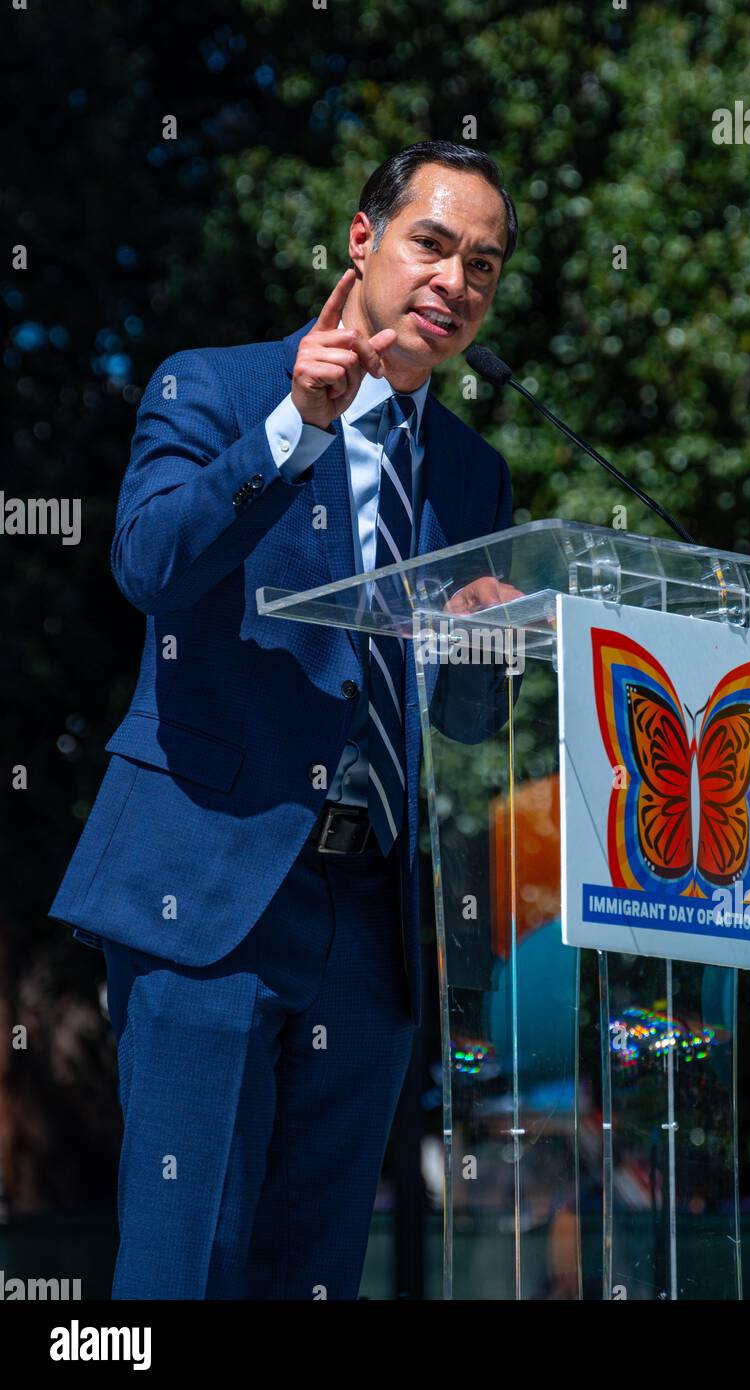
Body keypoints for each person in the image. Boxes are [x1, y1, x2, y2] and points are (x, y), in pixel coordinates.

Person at [48, 140, 522, 1299]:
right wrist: (293, 433)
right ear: (360, 242)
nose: (453, 281)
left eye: (483, 265)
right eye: (430, 243)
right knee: (183, 1265)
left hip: (367, 929)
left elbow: (464, 723)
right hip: (206, 892)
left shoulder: (473, 476)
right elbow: (150, 566)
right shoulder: (211, 389)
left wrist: (485, 648)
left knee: (310, 1274)